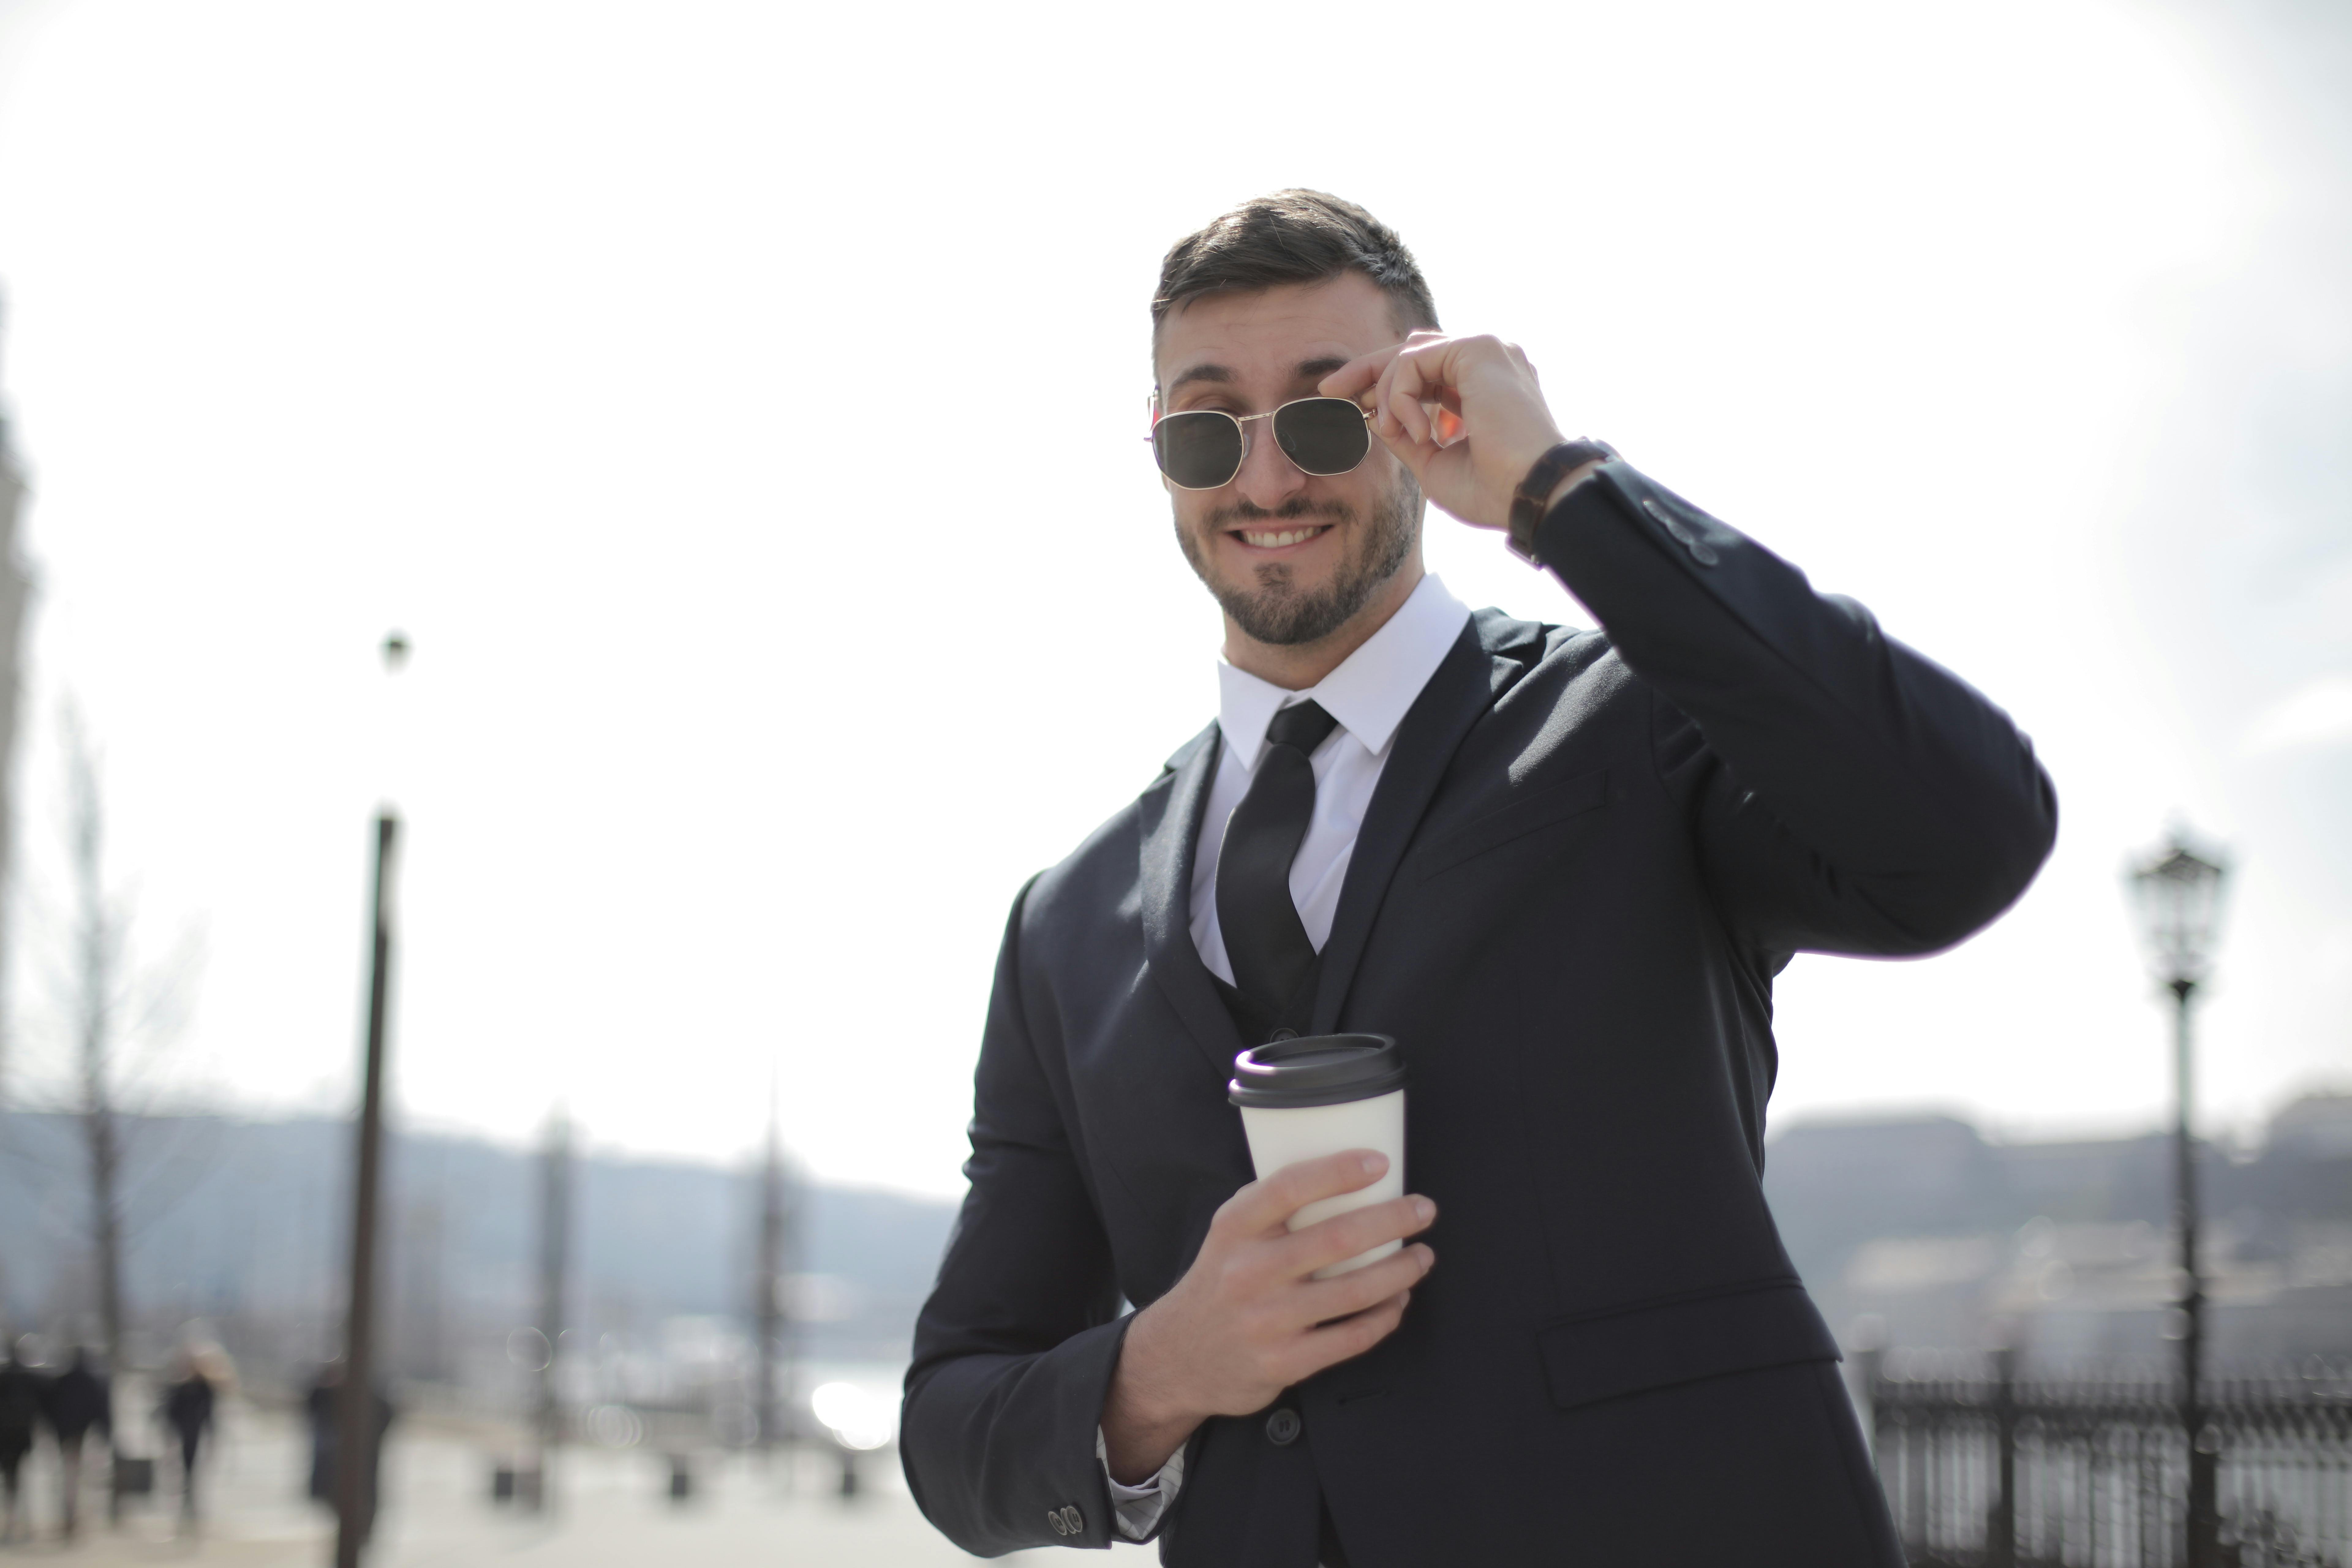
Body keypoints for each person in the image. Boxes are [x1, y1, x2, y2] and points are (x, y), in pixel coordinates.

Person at [899, 191, 2057, 1567]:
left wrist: (1559, 490)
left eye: (1325, 414)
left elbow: (1962, 828)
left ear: (1414, 411)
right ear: (1160, 452)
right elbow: (952, 1420)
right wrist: (1161, 1365)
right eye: (1209, 426)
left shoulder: (1633, 723)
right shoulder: (1064, 921)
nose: (1266, 481)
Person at [40, 1347, 110, 1541]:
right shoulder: (90, 1381)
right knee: (76, 1478)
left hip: (67, 1436)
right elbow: (99, 1409)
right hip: (81, 1435)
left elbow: (49, 1407)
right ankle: (72, 1517)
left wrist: (56, 1430)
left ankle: (70, 1516)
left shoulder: (62, 1381)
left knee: (68, 1478)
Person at [161, 1351, 217, 1524]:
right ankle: (187, 1499)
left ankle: (191, 1500)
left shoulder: (204, 1388)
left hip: (195, 1432)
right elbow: (172, 1411)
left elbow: (209, 1412)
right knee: (185, 1466)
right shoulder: (181, 1388)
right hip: (184, 1433)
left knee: (193, 1467)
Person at [0, 1341, 46, 1544]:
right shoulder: (30, 1379)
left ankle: (12, 1522)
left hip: (5, 1438)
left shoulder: (4, 1379)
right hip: (22, 1437)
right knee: (23, 1481)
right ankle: (24, 1524)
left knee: (10, 1481)